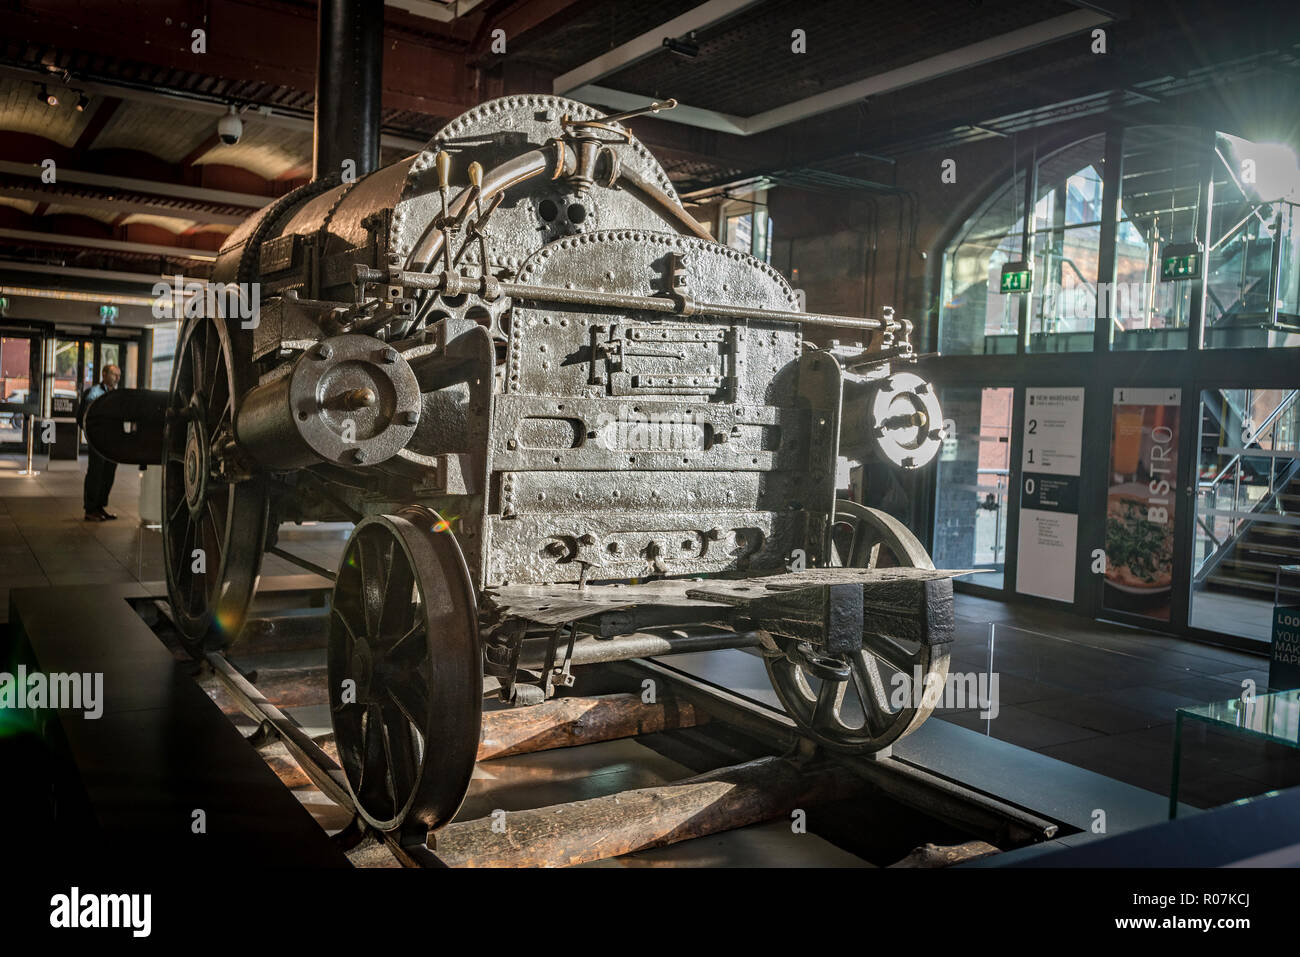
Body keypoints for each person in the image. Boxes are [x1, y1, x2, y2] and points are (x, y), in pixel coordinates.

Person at [81, 363, 120, 521]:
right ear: (104, 374)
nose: (117, 378)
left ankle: (100, 507)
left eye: (118, 375)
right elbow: (82, 417)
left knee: (108, 474)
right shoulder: (94, 393)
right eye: (114, 374)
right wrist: (91, 436)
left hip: (111, 441)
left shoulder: (116, 395)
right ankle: (90, 509)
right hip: (98, 441)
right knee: (96, 473)